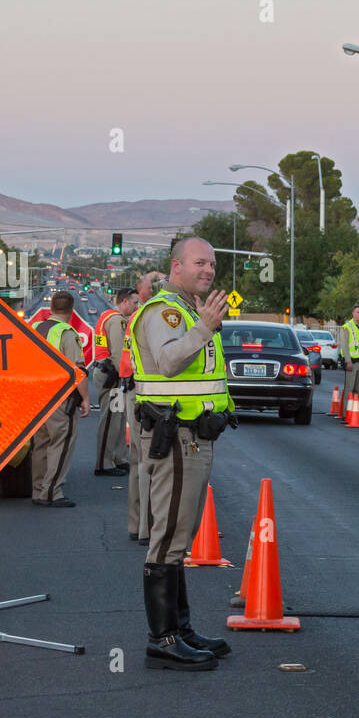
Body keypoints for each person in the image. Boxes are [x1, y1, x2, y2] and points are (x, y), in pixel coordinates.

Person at [127, 239, 233, 671]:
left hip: (192, 436)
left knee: (178, 537)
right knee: (168, 538)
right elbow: (169, 362)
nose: (208, 270)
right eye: (199, 262)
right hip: (176, 439)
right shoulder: (166, 312)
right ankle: (163, 639)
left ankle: (181, 629)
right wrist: (205, 327)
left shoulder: (187, 310)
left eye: (211, 263)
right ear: (176, 266)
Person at [31, 291, 90, 507]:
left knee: (40, 444)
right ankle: (52, 492)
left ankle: (38, 490)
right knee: (61, 443)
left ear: (51, 309)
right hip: (59, 398)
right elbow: (78, 371)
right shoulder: (67, 333)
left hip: (36, 396)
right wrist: (85, 398)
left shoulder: (35, 328)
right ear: (72, 311)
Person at [127, 271, 166, 543]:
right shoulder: (153, 319)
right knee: (150, 464)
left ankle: (138, 525)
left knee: (140, 463)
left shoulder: (137, 318)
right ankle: (148, 529)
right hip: (151, 399)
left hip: (139, 392)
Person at [92, 288, 139, 476]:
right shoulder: (116, 320)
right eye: (135, 303)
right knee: (110, 420)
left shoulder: (107, 316)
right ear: (125, 302)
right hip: (111, 375)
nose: (137, 307)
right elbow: (120, 354)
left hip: (112, 375)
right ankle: (103, 463)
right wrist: (128, 377)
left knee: (118, 420)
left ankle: (118, 458)